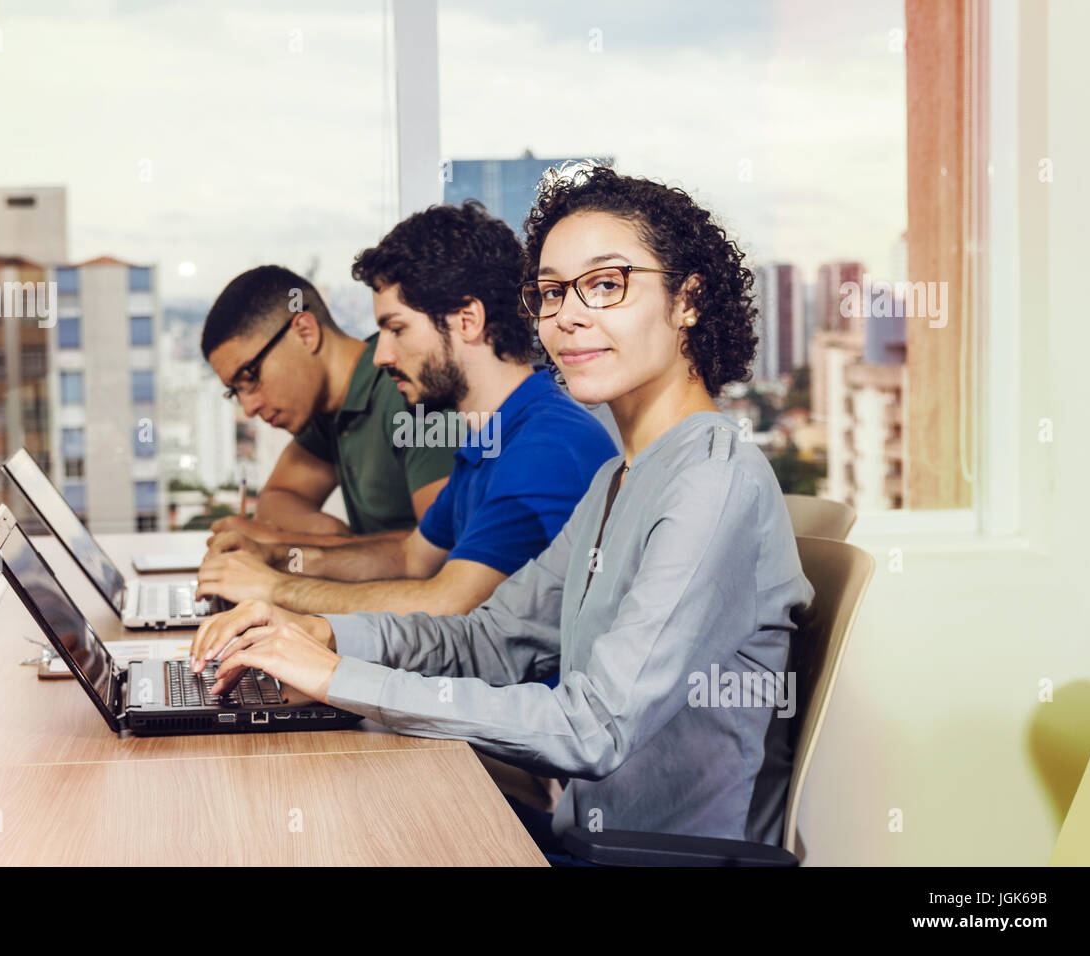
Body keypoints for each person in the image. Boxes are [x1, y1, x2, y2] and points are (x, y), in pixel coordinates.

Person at [189, 166, 814, 850]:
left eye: (606, 284)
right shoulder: (620, 477)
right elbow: (488, 640)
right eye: (551, 293)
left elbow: (592, 726)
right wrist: (327, 637)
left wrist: (338, 678)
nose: (568, 316)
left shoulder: (711, 482)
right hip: (579, 840)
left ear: (688, 299)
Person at [196, 202, 617, 616]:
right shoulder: (489, 440)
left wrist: (278, 589)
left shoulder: (545, 449)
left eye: (396, 329)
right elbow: (409, 557)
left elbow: (447, 603)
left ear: (467, 320)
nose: (380, 356)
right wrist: (276, 558)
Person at [200, 266, 454, 544]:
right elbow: (278, 497)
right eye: (235, 391)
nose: (248, 408)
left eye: (250, 376)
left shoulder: (409, 391)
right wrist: (327, 533)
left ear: (305, 333)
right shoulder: (327, 407)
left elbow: (443, 550)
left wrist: (293, 545)